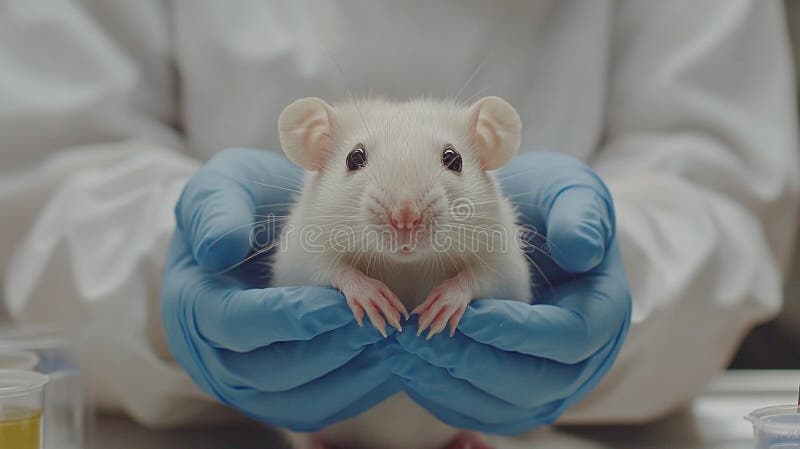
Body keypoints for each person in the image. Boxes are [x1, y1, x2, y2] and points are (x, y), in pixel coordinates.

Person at [0, 0, 797, 433]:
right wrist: (184, 286)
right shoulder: (312, 210)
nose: (408, 209)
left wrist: (594, 282)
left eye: (453, 163)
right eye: (358, 163)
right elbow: (44, 166)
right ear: (314, 149)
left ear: (489, 153)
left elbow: (725, 171)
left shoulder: (489, 215)